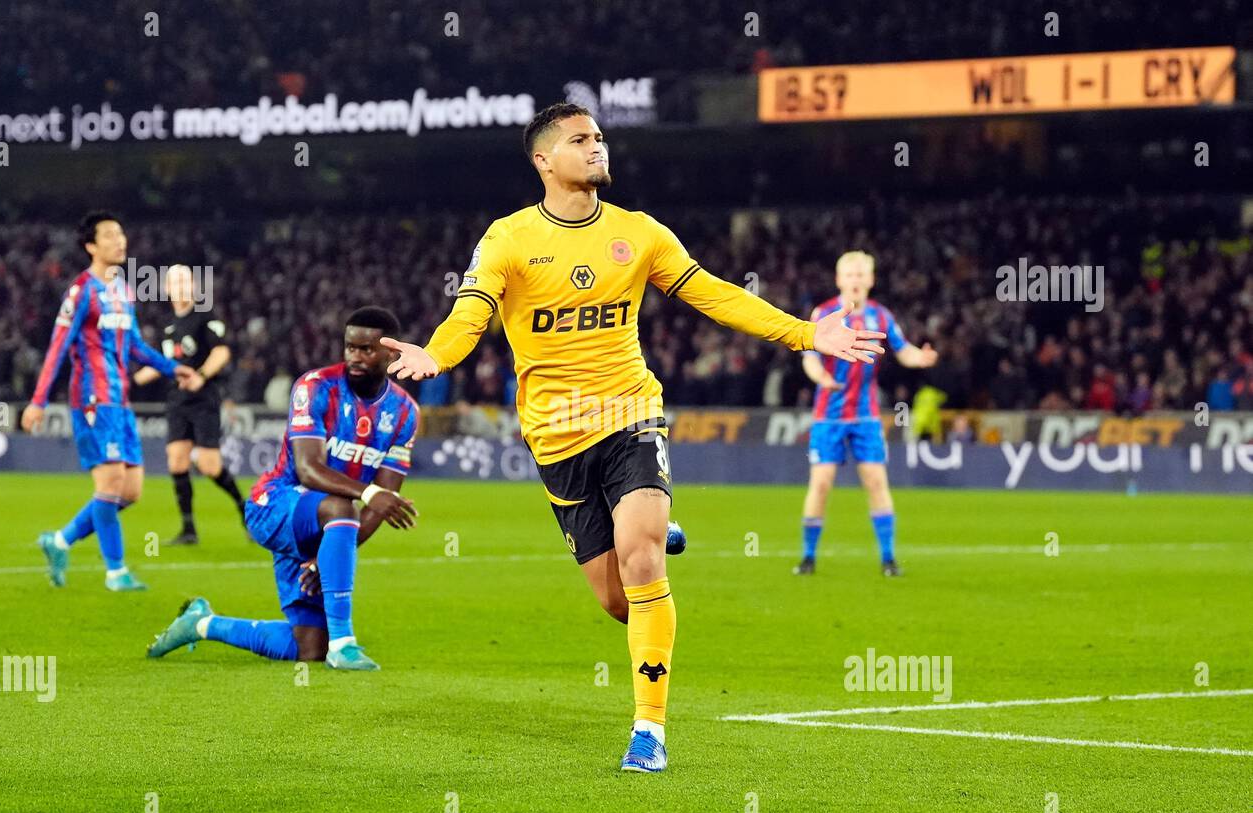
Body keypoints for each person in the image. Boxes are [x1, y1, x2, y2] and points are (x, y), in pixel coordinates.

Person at [381, 102, 885, 772]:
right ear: (544, 160)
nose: (598, 146)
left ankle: (649, 730)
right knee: (618, 600)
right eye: (581, 139)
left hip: (630, 416)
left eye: (600, 137)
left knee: (644, 560)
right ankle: (644, 530)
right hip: (556, 440)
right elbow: (469, 314)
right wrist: (438, 356)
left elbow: (714, 292)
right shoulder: (507, 239)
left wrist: (802, 331)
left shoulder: (639, 233)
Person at [146, 307, 419, 671]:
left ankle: (201, 623)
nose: (355, 356)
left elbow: (381, 504)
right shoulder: (315, 387)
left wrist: (325, 560)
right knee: (343, 506)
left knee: (306, 648)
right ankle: (344, 642)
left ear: (393, 354)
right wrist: (368, 493)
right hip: (273, 504)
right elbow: (308, 470)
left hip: (322, 526)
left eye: (366, 350)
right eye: (350, 347)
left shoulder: (404, 412)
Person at [22, 212, 203, 591]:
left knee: (131, 490)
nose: (120, 241)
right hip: (92, 398)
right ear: (91, 246)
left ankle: (59, 541)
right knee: (109, 484)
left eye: (121, 233)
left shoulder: (122, 288)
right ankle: (116, 571)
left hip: (119, 399)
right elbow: (59, 346)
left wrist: (173, 369)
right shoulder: (81, 291)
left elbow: (134, 344)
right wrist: (38, 400)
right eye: (109, 235)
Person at [794, 250, 938, 578]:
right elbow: (808, 356)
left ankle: (888, 559)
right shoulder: (826, 312)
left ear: (871, 280)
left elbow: (903, 351)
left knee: (875, 481)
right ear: (839, 279)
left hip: (865, 415)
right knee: (821, 483)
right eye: (850, 274)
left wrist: (922, 358)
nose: (856, 280)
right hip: (828, 415)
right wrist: (823, 379)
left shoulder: (881, 316)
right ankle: (807, 557)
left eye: (862, 274)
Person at [133, 264, 246, 544]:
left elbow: (221, 352)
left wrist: (201, 376)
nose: (181, 286)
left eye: (185, 280)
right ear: (167, 289)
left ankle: (245, 509)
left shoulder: (205, 317)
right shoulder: (170, 327)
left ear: (194, 287)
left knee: (209, 466)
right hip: (177, 401)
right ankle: (188, 529)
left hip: (203, 400)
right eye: (175, 281)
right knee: (177, 459)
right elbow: (164, 363)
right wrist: (132, 380)